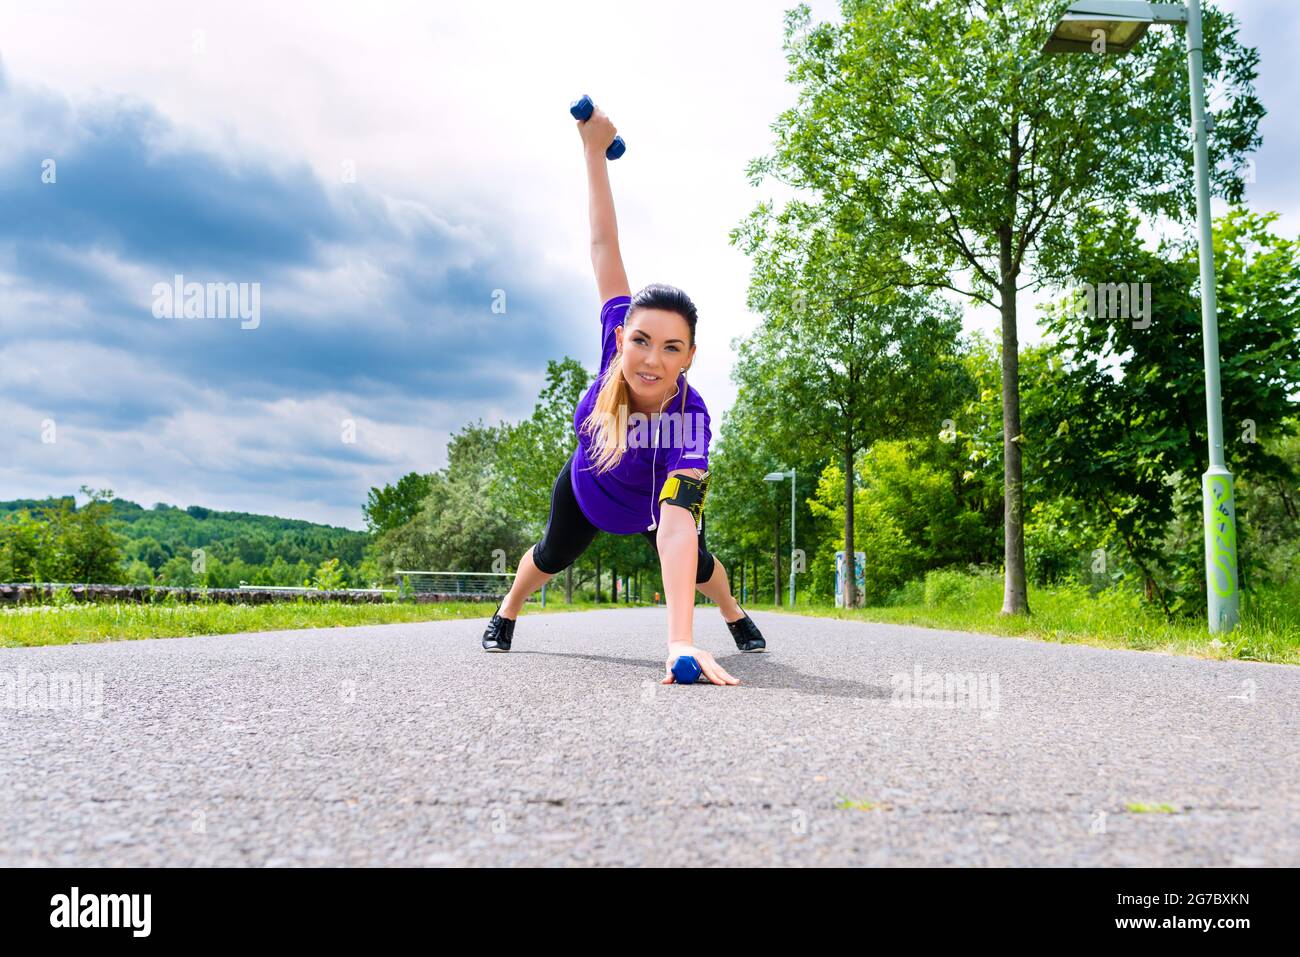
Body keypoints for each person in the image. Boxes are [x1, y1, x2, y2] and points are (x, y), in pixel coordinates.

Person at [480, 103, 767, 685]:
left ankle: (733, 616)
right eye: (642, 340)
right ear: (621, 336)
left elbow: (679, 521)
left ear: (690, 356)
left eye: (671, 347)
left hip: (650, 512)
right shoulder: (616, 351)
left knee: (703, 566)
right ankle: (506, 612)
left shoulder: (690, 418)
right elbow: (603, 245)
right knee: (549, 557)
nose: (651, 359)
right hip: (588, 493)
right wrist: (593, 155)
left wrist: (681, 642)